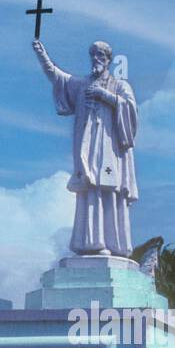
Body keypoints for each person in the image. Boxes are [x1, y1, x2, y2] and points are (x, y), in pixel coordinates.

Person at [32, 38, 139, 257]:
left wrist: (106, 96)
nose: (96, 59)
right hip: (88, 151)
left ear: (109, 60)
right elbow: (58, 77)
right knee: (90, 191)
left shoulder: (119, 85)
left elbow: (130, 111)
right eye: (93, 55)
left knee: (109, 191)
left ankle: (114, 245)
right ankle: (90, 242)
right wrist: (42, 55)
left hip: (110, 150)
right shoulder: (82, 85)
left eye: (101, 55)